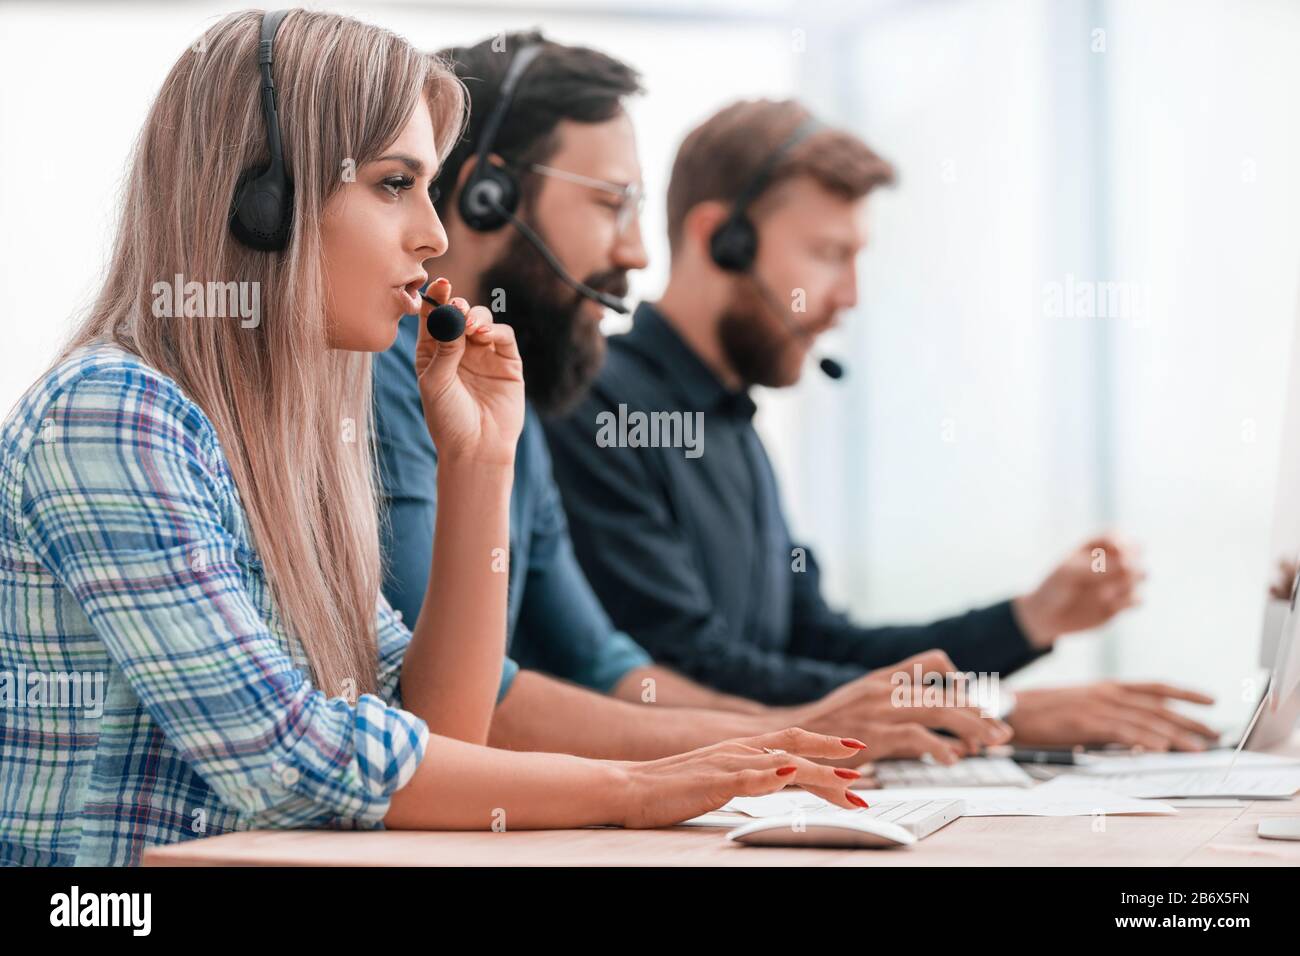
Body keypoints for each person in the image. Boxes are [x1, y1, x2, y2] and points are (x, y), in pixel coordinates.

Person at [0, 11, 869, 866]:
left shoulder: (286, 441)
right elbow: (285, 758)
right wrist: (634, 790)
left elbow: (435, 728)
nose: (436, 232)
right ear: (260, 199)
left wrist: (479, 463)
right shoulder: (113, 417)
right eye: (392, 183)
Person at [373, 31, 1011, 767]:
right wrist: (785, 735)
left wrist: (803, 731)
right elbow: (449, 707)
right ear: (490, 198)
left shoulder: (512, 395)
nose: (639, 252)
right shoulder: (388, 377)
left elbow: (611, 669)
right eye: (613, 204)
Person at [544, 98, 1219, 752]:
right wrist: (994, 710)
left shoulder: (734, 428)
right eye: (830, 254)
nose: (850, 296)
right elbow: (687, 671)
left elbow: (817, 647)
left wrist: (1030, 618)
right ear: (721, 240)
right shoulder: (598, 409)